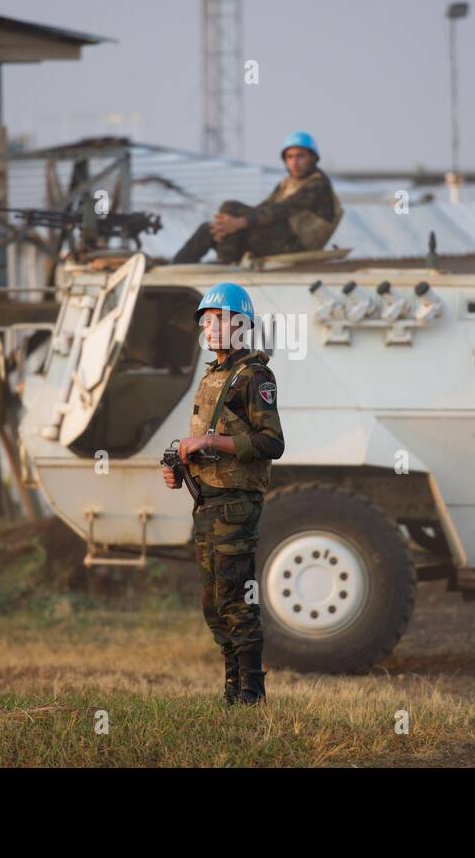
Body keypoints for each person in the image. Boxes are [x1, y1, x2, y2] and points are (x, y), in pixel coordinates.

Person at [161, 282, 284, 703]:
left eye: (220, 319)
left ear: (241, 324)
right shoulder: (213, 376)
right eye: (207, 320)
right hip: (208, 502)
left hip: (236, 503)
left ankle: (251, 691)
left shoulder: (254, 376)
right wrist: (180, 465)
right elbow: (208, 441)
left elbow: (272, 443)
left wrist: (211, 444)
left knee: (234, 598)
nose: (212, 328)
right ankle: (231, 687)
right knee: (212, 602)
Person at [173, 131, 344, 264]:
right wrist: (229, 225)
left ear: (313, 158)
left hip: (296, 246)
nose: (294, 162)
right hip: (278, 239)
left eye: (301, 156)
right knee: (209, 230)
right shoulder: (287, 183)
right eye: (290, 157)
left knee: (230, 208)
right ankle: (171, 271)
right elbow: (264, 207)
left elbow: (280, 210)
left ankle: (225, 262)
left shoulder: (317, 185)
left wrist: (238, 222)